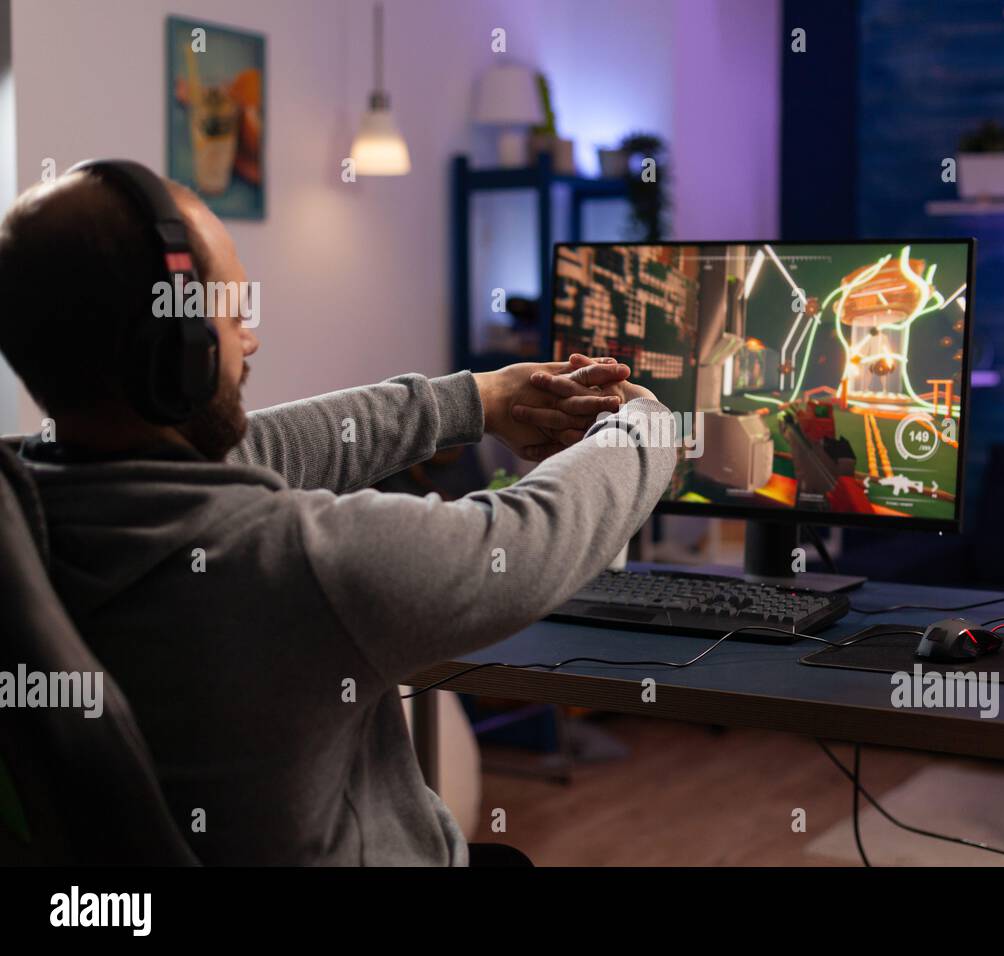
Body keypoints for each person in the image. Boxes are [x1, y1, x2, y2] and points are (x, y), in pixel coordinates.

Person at [0, 162, 677, 865]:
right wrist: (648, 427)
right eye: (234, 318)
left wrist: (476, 399)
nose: (251, 341)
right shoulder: (292, 560)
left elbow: (257, 447)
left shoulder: (23, 509)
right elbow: (527, 542)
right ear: (178, 355)